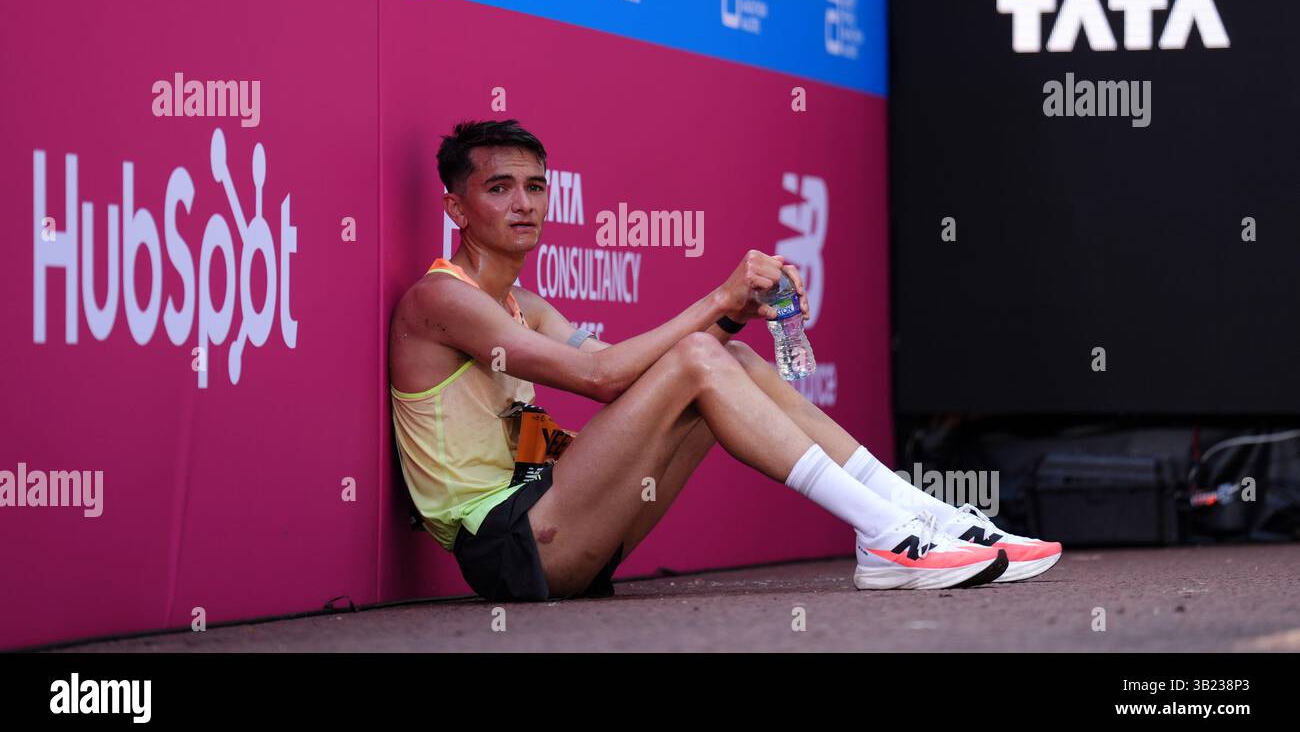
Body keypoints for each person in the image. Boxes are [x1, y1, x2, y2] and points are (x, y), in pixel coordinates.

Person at [388, 120, 1061, 601]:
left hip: (565, 532)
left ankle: (921, 518)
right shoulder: (441, 299)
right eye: (500, 188)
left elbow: (626, 369)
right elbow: (603, 378)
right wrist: (718, 294)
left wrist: (733, 312)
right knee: (697, 360)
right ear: (456, 206)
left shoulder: (522, 305)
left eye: (535, 186)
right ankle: (888, 534)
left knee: (727, 354)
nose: (525, 203)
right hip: (513, 545)